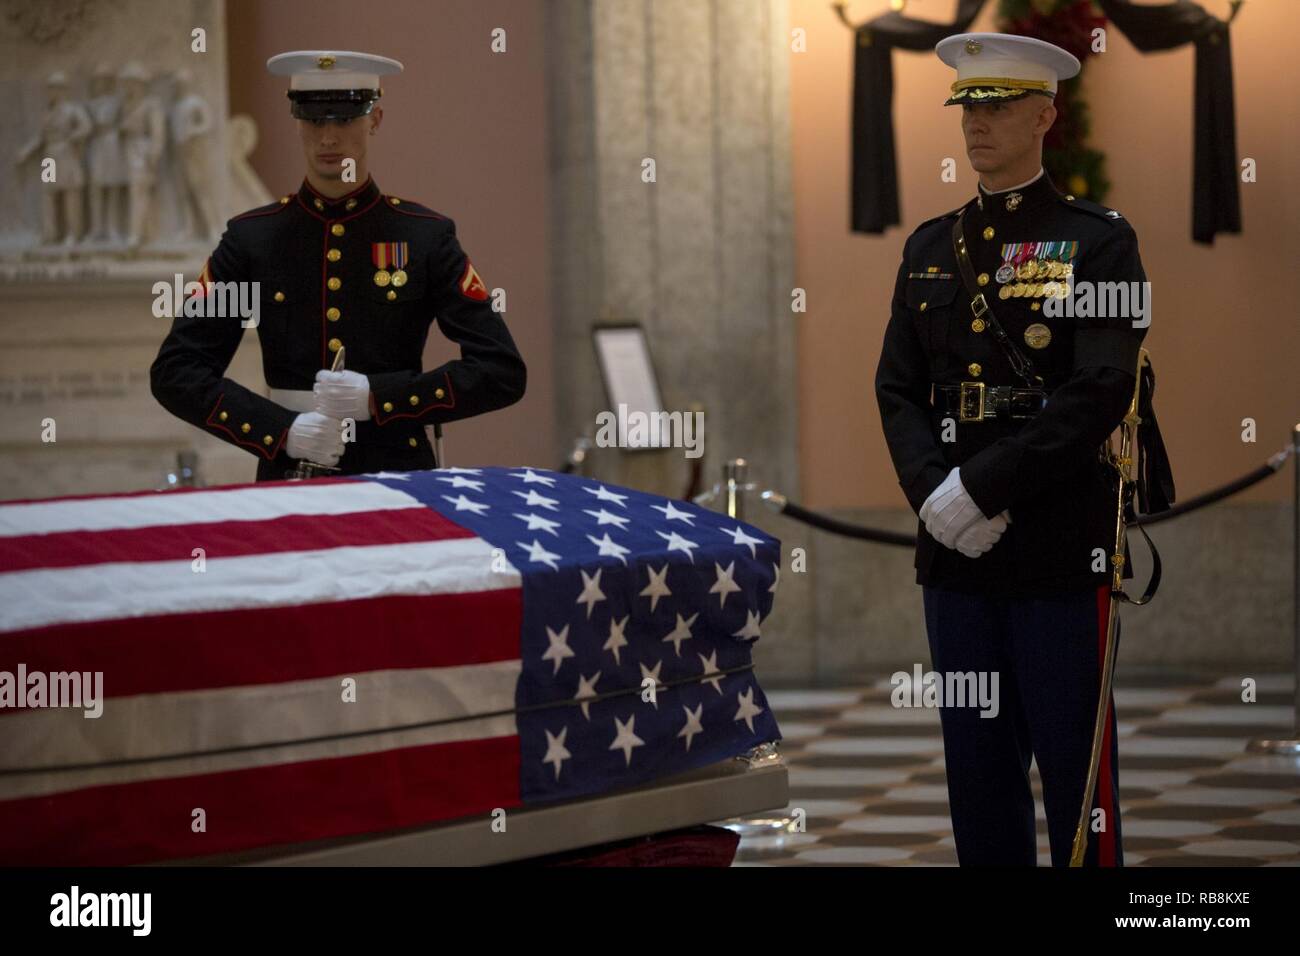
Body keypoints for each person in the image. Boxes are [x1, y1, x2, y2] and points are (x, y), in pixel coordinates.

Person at [874, 33, 1154, 866]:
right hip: (956, 553)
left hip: (1058, 541)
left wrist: (982, 488)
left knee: (1076, 772)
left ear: (1044, 115)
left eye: (997, 107)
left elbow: (1100, 389)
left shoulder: (1100, 241)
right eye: (969, 106)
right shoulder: (929, 247)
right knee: (979, 771)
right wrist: (937, 497)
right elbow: (896, 389)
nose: (977, 125)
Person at [151, 50, 526, 480]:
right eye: (313, 119)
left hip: (396, 476)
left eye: (345, 118)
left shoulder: (423, 236)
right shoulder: (253, 239)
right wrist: (280, 431)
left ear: (376, 119)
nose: (328, 138)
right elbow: (176, 372)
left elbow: (501, 370)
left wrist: (380, 399)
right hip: (290, 476)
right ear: (296, 121)